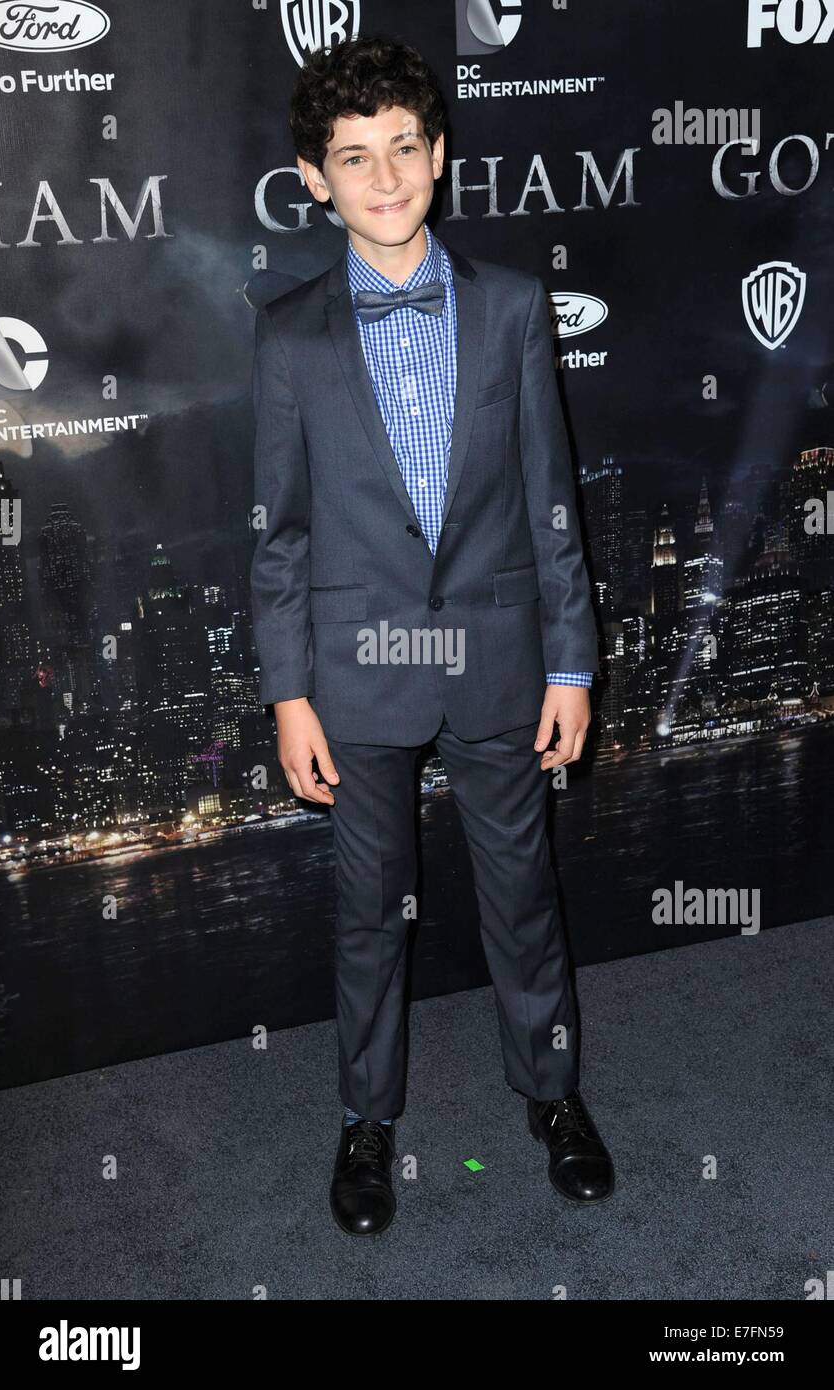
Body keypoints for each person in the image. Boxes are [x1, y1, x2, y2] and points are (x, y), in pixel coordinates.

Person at [250, 33, 614, 1236]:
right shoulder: (289, 334)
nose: (386, 174)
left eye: (405, 145)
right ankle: (367, 1118)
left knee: (523, 893)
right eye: (355, 157)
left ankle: (552, 1094)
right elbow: (283, 535)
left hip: (501, 656)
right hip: (356, 676)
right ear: (316, 178)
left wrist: (572, 661)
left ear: (440, 153)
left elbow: (552, 496)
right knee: (369, 908)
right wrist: (288, 694)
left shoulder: (511, 308)